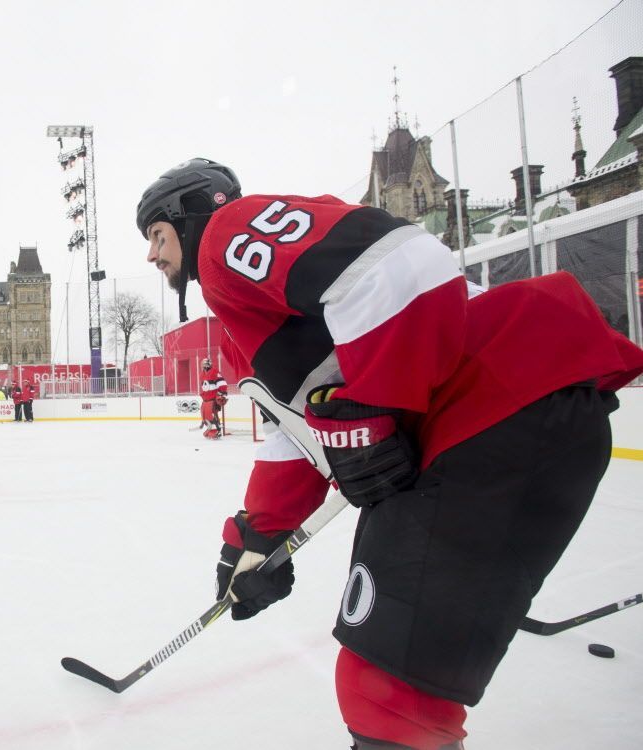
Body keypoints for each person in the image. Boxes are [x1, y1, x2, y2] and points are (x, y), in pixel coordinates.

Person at [136, 157, 643, 750]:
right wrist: (257, 536)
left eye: (155, 234)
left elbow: (398, 260)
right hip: (502, 416)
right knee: (385, 691)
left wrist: (369, 412)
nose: (151, 255)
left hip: (497, 404)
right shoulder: (247, 313)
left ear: (190, 214)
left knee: (388, 694)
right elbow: (296, 431)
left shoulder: (226, 235)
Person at [199, 357, 228, 439]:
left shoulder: (215, 372)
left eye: (205, 364)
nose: (204, 366)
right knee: (204, 413)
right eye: (203, 364)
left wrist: (221, 394)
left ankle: (217, 430)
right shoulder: (202, 375)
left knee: (211, 414)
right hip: (206, 399)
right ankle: (210, 429)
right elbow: (204, 387)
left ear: (209, 364)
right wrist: (203, 396)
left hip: (213, 398)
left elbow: (222, 383)